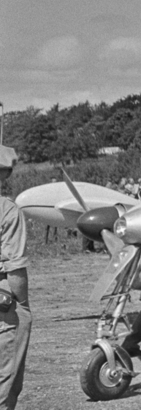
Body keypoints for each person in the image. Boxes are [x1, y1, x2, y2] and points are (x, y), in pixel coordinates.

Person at [0, 145, 30, 410]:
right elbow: (15, 271)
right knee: (5, 382)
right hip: (2, 302)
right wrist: (23, 305)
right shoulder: (7, 210)